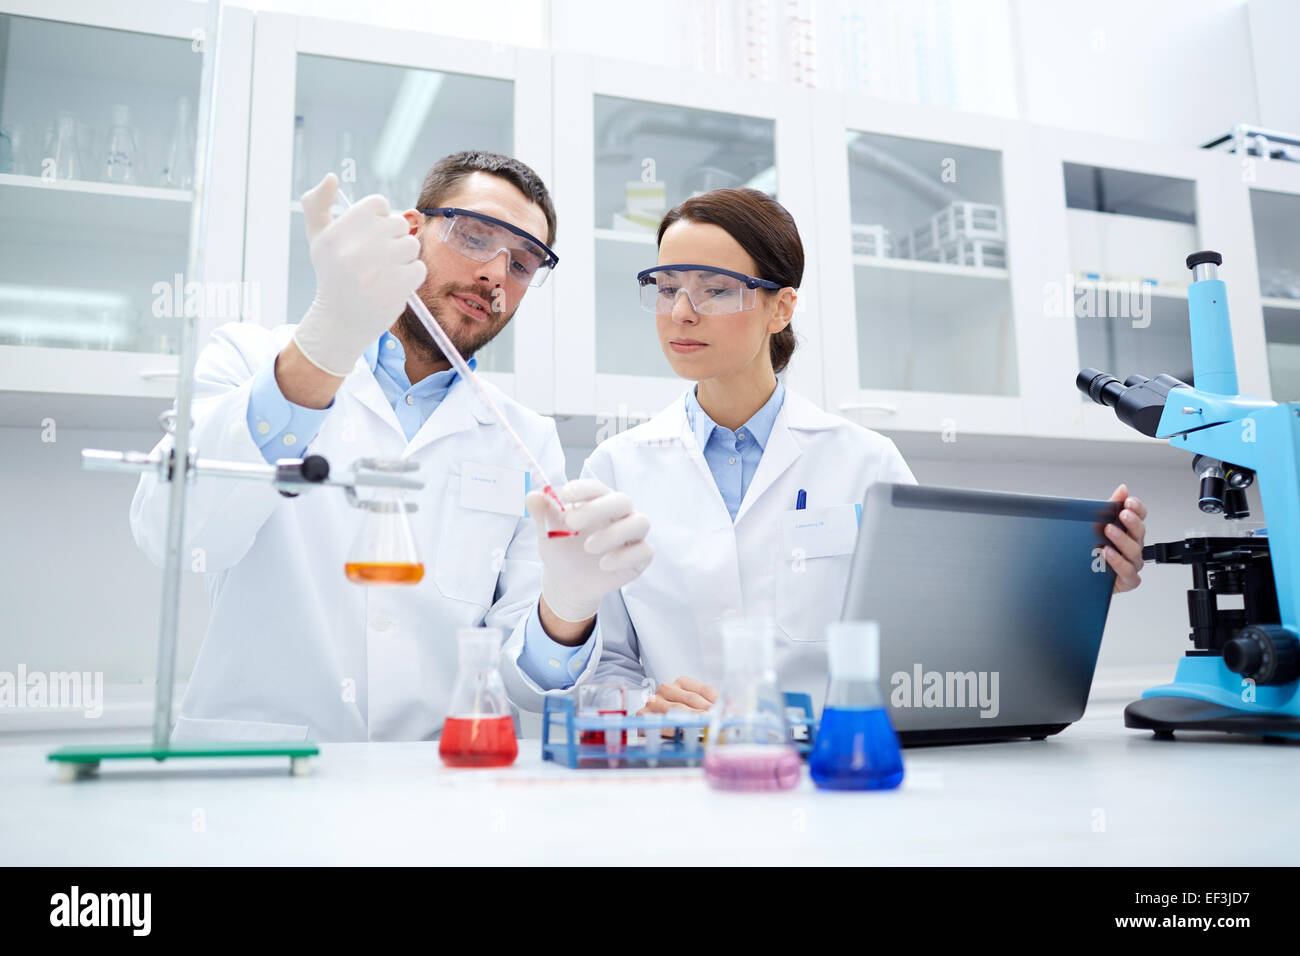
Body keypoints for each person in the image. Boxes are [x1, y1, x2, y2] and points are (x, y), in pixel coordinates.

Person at [501, 187, 1149, 715]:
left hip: (837, 774)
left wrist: (1072, 590)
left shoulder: (867, 463)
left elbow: (933, 644)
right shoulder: (619, 467)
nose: (681, 313)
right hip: (686, 781)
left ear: (780, 308)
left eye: (715, 288)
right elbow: (602, 667)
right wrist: (643, 704)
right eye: (667, 287)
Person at [130, 151, 651, 741]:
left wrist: (568, 610)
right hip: (262, 778)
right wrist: (325, 345)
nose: (495, 275)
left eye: (524, 263)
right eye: (475, 235)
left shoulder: (525, 439)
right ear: (409, 231)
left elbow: (525, 685)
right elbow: (174, 536)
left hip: (432, 787)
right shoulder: (254, 361)